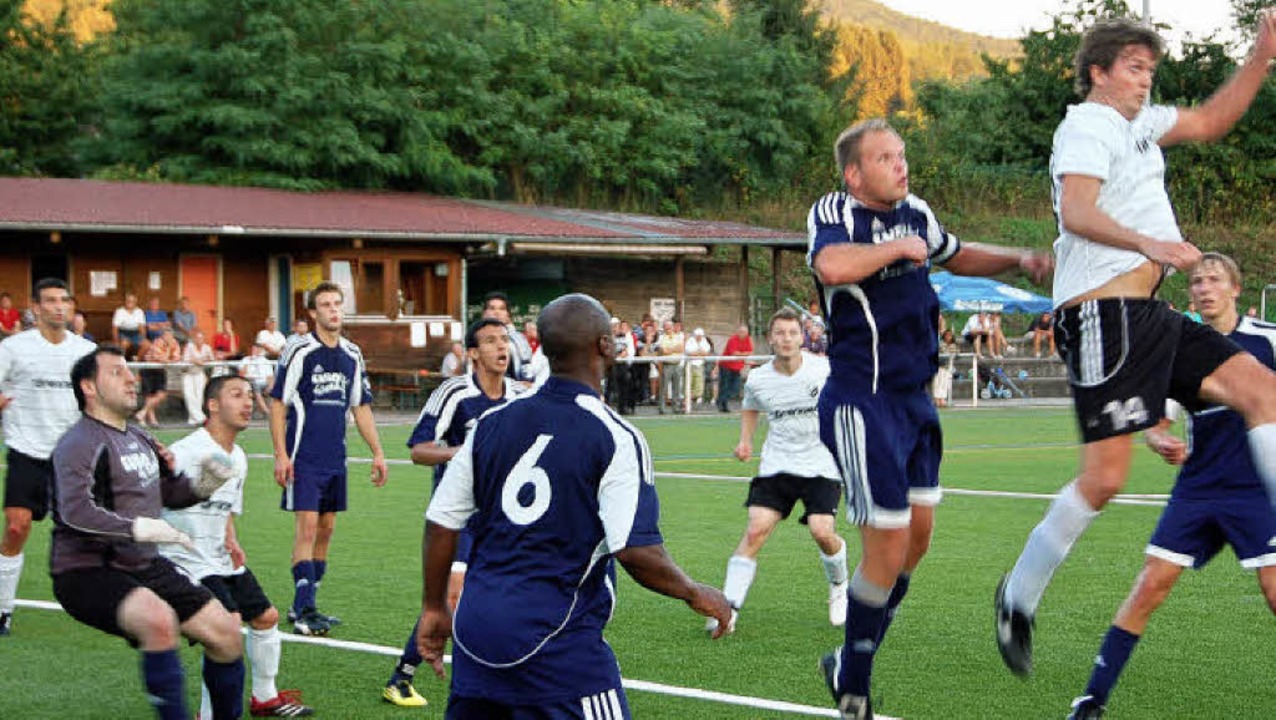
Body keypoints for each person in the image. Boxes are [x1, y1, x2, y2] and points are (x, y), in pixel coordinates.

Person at [995, 13, 1276, 678]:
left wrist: (1262, 54)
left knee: (1261, 392)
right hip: (1102, 315)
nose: (1145, 80)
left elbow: (1209, 121)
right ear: (1098, 71)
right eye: (1133, 68)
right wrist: (1150, 243)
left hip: (1150, 312)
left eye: (1150, 69)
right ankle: (1017, 595)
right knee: (1105, 480)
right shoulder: (1086, 125)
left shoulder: (1142, 125)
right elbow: (1077, 212)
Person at [807, 118, 1051, 718]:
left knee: (915, 543)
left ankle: (847, 661)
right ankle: (854, 693)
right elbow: (831, 267)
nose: (901, 164)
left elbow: (957, 253)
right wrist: (895, 248)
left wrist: (1019, 258)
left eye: (902, 154)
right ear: (854, 173)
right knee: (885, 549)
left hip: (917, 400)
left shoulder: (916, 210)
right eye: (886, 157)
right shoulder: (835, 213)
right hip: (864, 401)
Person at [414, 293, 732, 718]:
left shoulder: (491, 424)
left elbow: (440, 523)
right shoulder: (614, 435)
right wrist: (696, 592)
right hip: (557, 647)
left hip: (477, 638)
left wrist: (434, 607)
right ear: (605, 346)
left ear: (543, 348)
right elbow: (636, 551)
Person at [1067, 253, 1276, 719]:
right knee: (1149, 586)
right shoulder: (1179, 344)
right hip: (1198, 487)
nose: (1204, 288)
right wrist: (1159, 438)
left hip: (1255, 491)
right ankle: (1091, 701)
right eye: (1197, 281)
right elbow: (1157, 417)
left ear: (1236, 289)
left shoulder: (1268, 342)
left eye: (1214, 280)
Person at [50, 346, 243, 720]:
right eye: (117, 372)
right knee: (158, 620)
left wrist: (203, 485)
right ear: (89, 387)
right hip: (87, 571)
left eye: (129, 370)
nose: (131, 377)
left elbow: (168, 493)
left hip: (144, 564)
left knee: (226, 634)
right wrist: (137, 527)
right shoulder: (78, 443)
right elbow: (74, 512)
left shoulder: (139, 437)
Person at [381, 318, 517, 708]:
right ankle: (401, 678)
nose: (501, 347)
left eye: (504, 340)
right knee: (450, 599)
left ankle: (501, 672)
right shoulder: (454, 393)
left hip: (502, 519)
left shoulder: (520, 397)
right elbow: (418, 449)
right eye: (490, 341)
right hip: (459, 522)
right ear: (472, 353)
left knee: (501, 594)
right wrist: (462, 454)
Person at [161, 375, 315, 718]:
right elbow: (149, 502)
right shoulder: (185, 452)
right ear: (212, 405)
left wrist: (231, 537)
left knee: (266, 617)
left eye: (250, 395)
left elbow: (227, 507)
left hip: (218, 557)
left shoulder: (239, 456)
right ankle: (209, 713)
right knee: (225, 628)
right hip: (181, 560)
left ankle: (264, 697)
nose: (248, 403)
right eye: (236, 395)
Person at [710, 308, 848, 635]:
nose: (786, 339)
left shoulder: (824, 370)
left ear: (803, 338)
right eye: (780, 334)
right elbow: (750, 406)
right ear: (771, 339)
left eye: (792, 333)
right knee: (756, 530)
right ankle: (727, 609)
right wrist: (745, 441)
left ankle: (839, 585)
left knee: (821, 530)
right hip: (778, 463)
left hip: (821, 462)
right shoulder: (758, 378)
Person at [270, 282, 388, 636]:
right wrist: (280, 455)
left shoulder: (352, 353)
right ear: (313, 312)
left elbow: (360, 406)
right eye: (326, 305)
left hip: (336, 458)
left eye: (338, 303)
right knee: (306, 527)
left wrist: (378, 452)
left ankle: (305, 603)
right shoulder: (300, 350)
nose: (334, 310)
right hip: (302, 456)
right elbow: (279, 403)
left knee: (327, 529)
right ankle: (305, 610)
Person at [0, 279, 97, 635]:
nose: (59, 307)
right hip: (26, 451)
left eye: (64, 301)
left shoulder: (85, 352)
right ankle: (2, 609)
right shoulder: (13, 349)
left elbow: (98, 401)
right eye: (51, 301)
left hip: (69, 456)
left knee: (80, 533)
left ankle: (98, 601)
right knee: (16, 527)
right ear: (36, 308)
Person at [481, 291, 534, 384]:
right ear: (484, 314)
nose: (497, 312)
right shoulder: (476, 338)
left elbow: (527, 368)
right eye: (492, 308)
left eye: (502, 309)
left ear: (508, 315)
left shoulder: (519, 339)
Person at [136, 328, 181, 428]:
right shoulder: (157, 342)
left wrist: (169, 360)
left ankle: (142, 413)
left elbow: (177, 357)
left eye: (170, 336)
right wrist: (169, 360)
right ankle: (151, 420)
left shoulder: (174, 343)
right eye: (166, 335)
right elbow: (160, 358)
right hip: (149, 369)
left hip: (160, 370)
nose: (168, 338)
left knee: (162, 394)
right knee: (150, 395)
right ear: (162, 336)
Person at [182, 329, 215, 426]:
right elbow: (187, 359)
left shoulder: (207, 348)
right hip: (188, 374)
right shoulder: (189, 346)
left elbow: (211, 359)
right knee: (189, 396)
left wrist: (198, 360)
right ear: (194, 339)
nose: (199, 340)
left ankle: (194, 419)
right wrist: (198, 360)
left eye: (201, 338)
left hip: (199, 374)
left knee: (199, 397)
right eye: (197, 338)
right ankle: (201, 418)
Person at [718, 324, 753, 412]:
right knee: (725, 386)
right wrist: (743, 354)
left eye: (745, 332)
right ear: (737, 332)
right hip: (726, 366)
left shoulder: (748, 339)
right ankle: (722, 405)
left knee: (735, 388)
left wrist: (741, 354)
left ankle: (721, 400)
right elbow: (734, 353)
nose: (743, 334)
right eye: (741, 332)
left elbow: (749, 351)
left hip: (736, 367)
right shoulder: (732, 339)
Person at [239, 343, 275, 418]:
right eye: (253, 349)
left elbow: (270, 377)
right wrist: (248, 362)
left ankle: (274, 411)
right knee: (255, 385)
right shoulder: (245, 360)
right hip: (250, 382)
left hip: (264, 382)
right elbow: (241, 374)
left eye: (256, 349)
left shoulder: (266, 361)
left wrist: (270, 386)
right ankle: (268, 413)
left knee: (274, 389)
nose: (254, 351)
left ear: (261, 350)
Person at [113, 293, 146, 358]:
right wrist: (115, 341)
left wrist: (143, 338)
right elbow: (115, 328)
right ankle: (121, 362)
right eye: (128, 301)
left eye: (132, 301)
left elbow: (142, 328)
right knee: (124, 344)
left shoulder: (139, 311)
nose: (130, 303)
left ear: (135, 302)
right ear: (125, 301)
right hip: (124, 332)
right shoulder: (120, 311)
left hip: (136, 333)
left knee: (146, 345)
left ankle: (136, 361)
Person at [933, 329, 959, 409]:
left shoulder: (954, 345)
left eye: (950, 335)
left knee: (944, 383)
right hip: (939, 366)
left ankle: (942, 399)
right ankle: (937, 399)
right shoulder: (940, 344)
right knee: (937, 382)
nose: (948, 337)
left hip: (948, 367)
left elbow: (956, 353)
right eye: (947, 335)